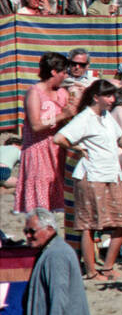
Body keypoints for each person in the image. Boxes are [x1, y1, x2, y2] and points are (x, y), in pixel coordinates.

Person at [53, 80, 122, 280]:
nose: (112, 100)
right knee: (91, 225)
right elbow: (59, 138)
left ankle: (108, 266)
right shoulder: (85, 117)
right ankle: (92, 271)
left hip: (111, 174)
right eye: (108, 96)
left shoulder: (105, 116)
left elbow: (118, 138)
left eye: (113, 96)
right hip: (92, 175)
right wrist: (78, 148)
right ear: (97, 97)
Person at [15, 53, 75, 215]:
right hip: (37, 150)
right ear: (54, 72)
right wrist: (63, 115)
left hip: (57, 150)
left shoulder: (62, 93)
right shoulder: (34, 93)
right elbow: (35, 125)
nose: (66, 76)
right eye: (63, 72)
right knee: (39, 204)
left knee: (56, 198)